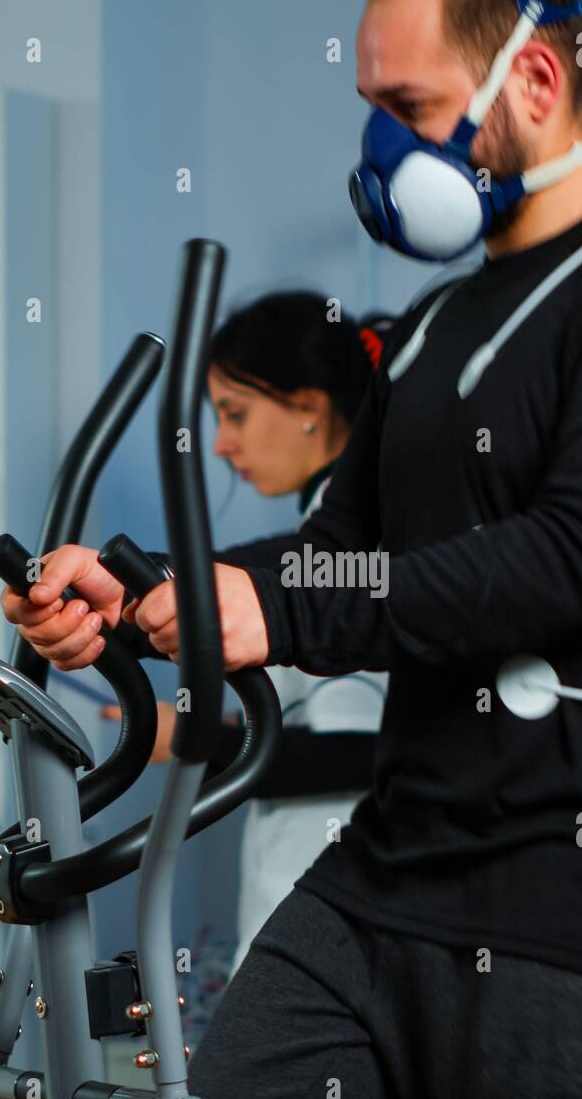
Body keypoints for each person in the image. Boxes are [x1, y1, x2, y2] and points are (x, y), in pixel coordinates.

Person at [1, 0, 582, 1099]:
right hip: (379, 881)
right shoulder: (434, 325)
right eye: (371, 106)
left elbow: (577, 557)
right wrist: (140, 603)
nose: (384, 147)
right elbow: (332, 552)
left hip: (572, 902)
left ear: (534, 81)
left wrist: (272, 605)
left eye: (411, 108)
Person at [101, 291, 391, 978]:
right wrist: (120, 608)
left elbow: (372, 754)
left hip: (344, 904)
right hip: (308, 895)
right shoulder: (317, 540)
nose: (222, 445)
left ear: (308, 406)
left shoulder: (367, 551)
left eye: (235, 414)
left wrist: (197, 738)